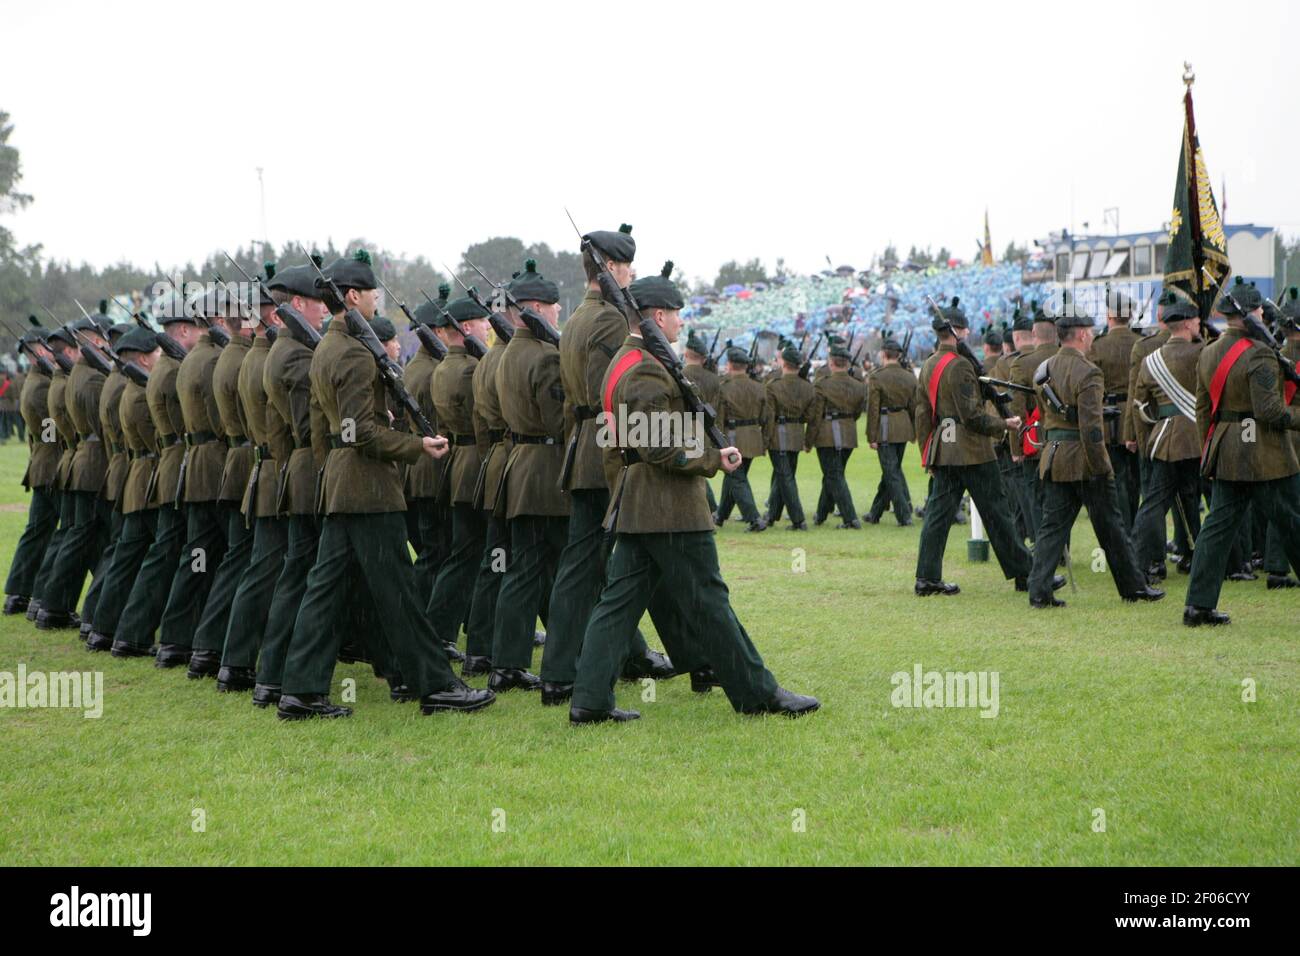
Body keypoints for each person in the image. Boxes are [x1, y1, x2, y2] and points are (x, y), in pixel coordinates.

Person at [570, 267, 818, 724]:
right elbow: (659, 444)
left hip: (640, 503)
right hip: (668, 505)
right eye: (677, 315)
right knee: (709, 599)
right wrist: (711, 459)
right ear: (658, 316)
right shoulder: (644, 369)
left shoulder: (624, 362)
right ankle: (757, 692)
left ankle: (589, 700)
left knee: (618, 605)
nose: (681, 324)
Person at [277, 251, 493, 718]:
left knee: (325, 590)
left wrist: (334, 468)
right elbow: (362, 432)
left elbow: (325, 430)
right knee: (397, 592)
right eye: (373, 292)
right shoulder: (353, 353)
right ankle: (435, 685)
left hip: (344, 484)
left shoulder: (326, 350)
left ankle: (301, 690)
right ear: (354, 296)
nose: (377, 299)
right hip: (369, 491)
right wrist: (418, 447)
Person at [541, 225, 675, 700]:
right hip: (604, 450)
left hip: (582, 445)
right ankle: (569, 673)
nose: (632, 273)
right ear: (613, 269)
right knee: (616, 562)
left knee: (586, 565)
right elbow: (613, 394)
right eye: (627, 266)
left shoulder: (577, 319)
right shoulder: (614, 321)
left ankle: (581, 666)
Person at [1024, 295, 1163, 608]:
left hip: (1055, 457)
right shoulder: (1088, 372)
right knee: (1112, 527)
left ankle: (1039, 589)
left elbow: (1047, 415)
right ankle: (1134, 588)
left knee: (1052, 528)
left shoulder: (1043, 368)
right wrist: (1102, 466)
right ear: (1083, 334)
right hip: (1085, 461)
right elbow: (1091, 428)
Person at [1183, 279, 1300, 626]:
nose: (1264, 313)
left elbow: (1204, 411)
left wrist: (1212, 446)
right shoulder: (1260, 353)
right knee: (1292, 524)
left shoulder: (1209, 350)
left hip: (1227, 448)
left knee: (1216, 529)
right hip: (1263, 455)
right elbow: (1270, 413)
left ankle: (1198, 606)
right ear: (1253, 314)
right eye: (1261, 310)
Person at [913, 297, 1049, 597]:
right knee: (998, 514)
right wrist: (1006, 424)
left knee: (938, 516)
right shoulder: (960, 366)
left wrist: (928, 452)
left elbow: (923, 416)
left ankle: (927, 577)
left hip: (944, 449)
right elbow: (972, 417)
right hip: (971, 451)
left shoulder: (929, 365)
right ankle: (1026, 573)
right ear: (959, 331)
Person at [110, 298, 205, 656]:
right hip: (177, 464)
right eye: (196, 327)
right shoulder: (173, 371)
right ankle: (156, 637)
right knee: (172, 555)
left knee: (165, 554)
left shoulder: (164, 369)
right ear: (182, 330)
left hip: (169, 465)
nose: (202, 333)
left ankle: (138, 634)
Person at [490, 260, 567, 692]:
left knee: (525, 571)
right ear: (537, 306)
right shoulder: (544, 357)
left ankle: (509, 662)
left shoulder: (507, 354)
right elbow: (558, 420)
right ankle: (534, 661)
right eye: (554, 307)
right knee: (559, 569)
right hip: (544, 474)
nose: (558, 313)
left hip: (520, 465)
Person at [217, 270, 290, 692]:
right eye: (272, 311)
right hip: (271, 470)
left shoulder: (248, 356)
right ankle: (243, 662)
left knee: (258, 568)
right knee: (264, 569)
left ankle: (237, 660)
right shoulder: (260, 358)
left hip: (260, 468)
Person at [152, 291, 230, 669]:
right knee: (231, 557)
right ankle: (209, 644)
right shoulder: (213, 360)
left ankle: (177, 640)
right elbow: (222, 421)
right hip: (215, 467)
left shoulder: (190, 360)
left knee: (197, 558)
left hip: (196, 467)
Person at [187, 287, 255, 679]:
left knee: (222, 561)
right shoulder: (225, 360)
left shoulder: (209, 358)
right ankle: (214, 648)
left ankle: (207, 647)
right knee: (239, 562)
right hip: (237, 465)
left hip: (225, 464)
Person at [426, 293, 493, 672]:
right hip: (474, 463)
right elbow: (482, 422)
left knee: (463, 554)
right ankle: (457, 636)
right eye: (482, 323)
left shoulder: (442, 367)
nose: (487, 327)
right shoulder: (469, 369)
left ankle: (438, 631)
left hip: (457, 465)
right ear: (466, 328)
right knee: (474, 556)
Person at [87, 328, 164, 656]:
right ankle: (128, 634)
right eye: (157, 355)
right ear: (145, 358)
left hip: (132, 477)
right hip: (146, 480)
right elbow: (157, 440)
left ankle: (102, 627)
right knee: (152, 559)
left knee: (124, 556)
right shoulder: (135, 392)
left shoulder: (119, 385)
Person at [37, 314, 110, 631]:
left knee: (85, 538)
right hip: (92, 464)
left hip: (80, 460)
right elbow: (104, 425)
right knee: (84, 537)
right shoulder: (90, 379)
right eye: (101, 340)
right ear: (92, 341)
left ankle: (54, 605)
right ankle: (56, 605)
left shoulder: (74, 376)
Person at [1129, 292, 1203, 582]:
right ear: (1186, 324)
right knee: (1182, 499)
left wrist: (1144, 441)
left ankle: (1156, 561)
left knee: (1160, 501)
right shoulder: (1201, 352)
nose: (1199, 324)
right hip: (1194, 438)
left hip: (1162, 439)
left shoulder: (1149, 361)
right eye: (1196, 321)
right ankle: (1186, 557)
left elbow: (1139, 406)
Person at [3, 330, 59, 617]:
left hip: (44, 464)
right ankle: (35, 595)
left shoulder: (37, 381)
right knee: (66, 533)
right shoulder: (40, 387)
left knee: (39, 532)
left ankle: (19, 593)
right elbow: (51, 432)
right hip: (50, 466)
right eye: (46, 347)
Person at [1088, 287, 1143, 528]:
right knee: (1138, 479)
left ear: (1109, 316)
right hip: (1139, 415)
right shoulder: (1141, 343)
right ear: (1129, 316)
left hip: (1111, 418)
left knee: (1117, 476)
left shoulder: (1098, 346)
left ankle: (1125, 527)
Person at [1007, 301, 1060, 543]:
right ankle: (1060, 545)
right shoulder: (1068, 357)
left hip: (1035, 440)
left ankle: (1044, 546)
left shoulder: (1022, 363)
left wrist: (1015, 447)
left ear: (1035, 333)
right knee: (1061, 496)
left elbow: (1016, 409)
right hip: (1066, 440)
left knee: (1036, 498)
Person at [1260, 286, 1300, 589]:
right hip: (1293, 430)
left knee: (1284, 505)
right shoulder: (1283, 357)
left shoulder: (1276, 355)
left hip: (1284, 437)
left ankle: (1276, 566)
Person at [808, 346, 865, 529]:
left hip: (826, 435)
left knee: (834, 475)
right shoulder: (858, 385)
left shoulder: (822, 384)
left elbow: (816, 415)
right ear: (848, 364)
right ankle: (821, 514)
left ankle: (850, 518)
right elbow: (857, 412)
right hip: (848, 433)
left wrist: (809, 439)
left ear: (831, 363)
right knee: (833, 474)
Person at [863, 337, 919, 526]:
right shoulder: (910, 377)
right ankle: (875, 512)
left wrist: (871, 436)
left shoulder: (877, 377)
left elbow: (873, 409)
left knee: (891, 472)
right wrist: (914, 430)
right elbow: (914, 407)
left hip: (886, 427)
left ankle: (904, 515)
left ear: (884, 354)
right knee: (891, 471)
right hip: (903, 426)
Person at [714, 347, 769, 531]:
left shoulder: (724, 388)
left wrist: (718, 443)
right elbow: (765, 417)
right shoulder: (759, 387)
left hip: (732, 437)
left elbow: (719, 419)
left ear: (729, 364)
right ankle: (720, 516)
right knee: (735, 477)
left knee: (736, 479)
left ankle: (754, 519)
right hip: (753, 437)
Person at [763, 344, 815, 530]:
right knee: (783, 476)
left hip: (779, 435)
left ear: (784, 363)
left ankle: (798, 520)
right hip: (797, 434)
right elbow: (812, 417)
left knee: (785, 477)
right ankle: (771, 515)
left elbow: (769, 418)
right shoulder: (808, 388)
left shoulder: (773, 386)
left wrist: (765, 440)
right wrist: (808, 441)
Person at [682, 329, 722, 515]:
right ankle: (710, 507)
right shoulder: (714, 379)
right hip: (705, 429)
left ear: (686, 353)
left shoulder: (680, 375)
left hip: (684, 429)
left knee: (693, 472)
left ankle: (708, 508)